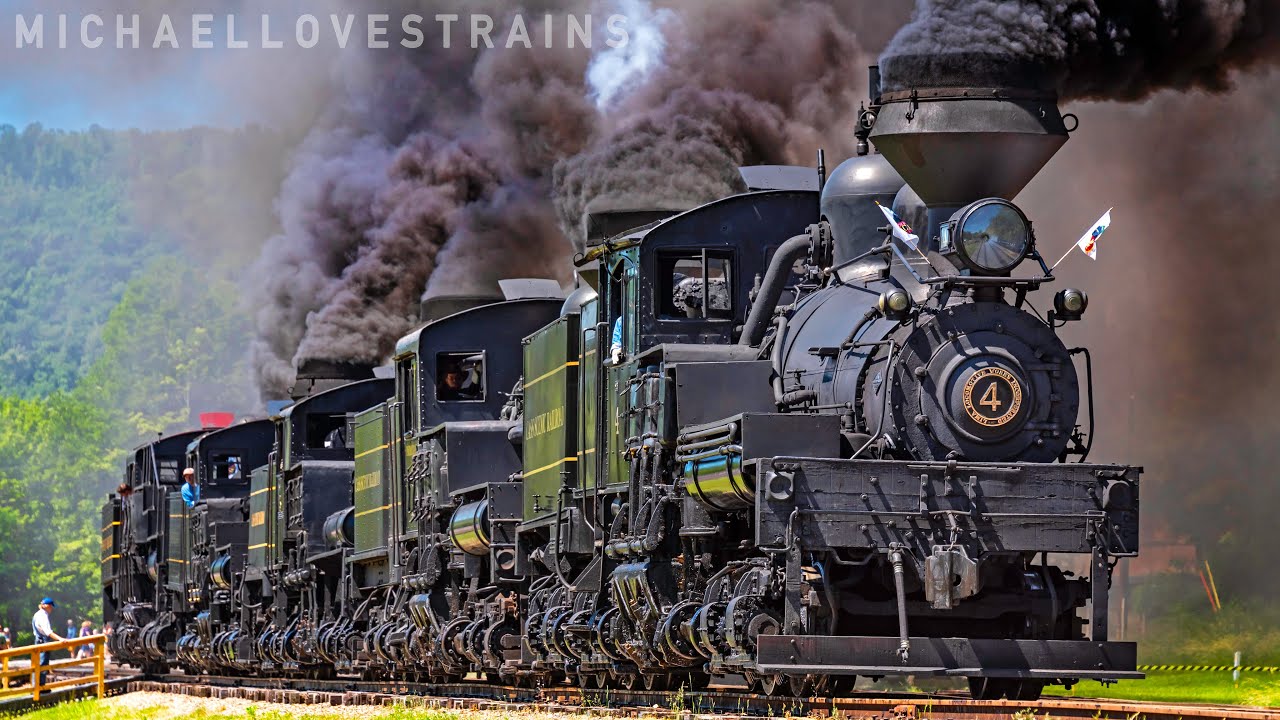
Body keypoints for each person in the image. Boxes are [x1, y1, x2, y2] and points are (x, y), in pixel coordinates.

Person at [31, 598, 66, 684]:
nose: (51, 609)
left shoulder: (37, 614)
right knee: (42, 665)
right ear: (47, 606)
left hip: (38, 641)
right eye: (51, 606)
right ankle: (40, 687)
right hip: (43, 642)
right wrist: (60, 639)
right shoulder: (43, 616)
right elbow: (48, 632)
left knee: (37, 664)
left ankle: (36, 686)